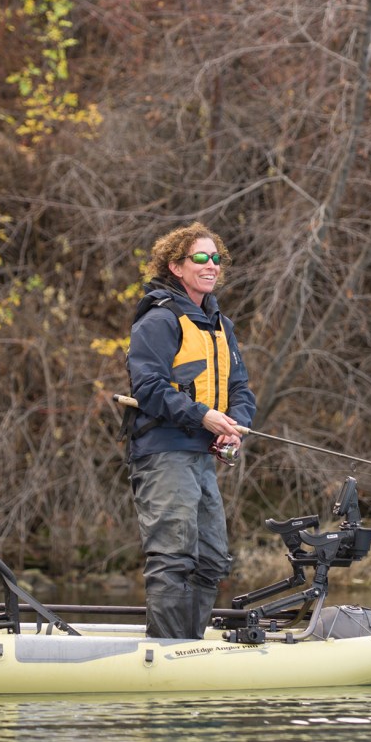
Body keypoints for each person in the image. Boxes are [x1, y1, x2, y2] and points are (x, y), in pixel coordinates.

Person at [125, 222, 256, 639]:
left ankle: (190, 645)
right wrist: (202, 416)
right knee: (173, 558)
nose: (211, 265)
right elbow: (147, 387)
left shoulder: (221, 324)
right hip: (164, 454)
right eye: (200, 257)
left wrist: (235, 426)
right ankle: (167, 651)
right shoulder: (159, 320)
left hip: (202, 456)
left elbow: (240, 389)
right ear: (175, 266)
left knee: (213, 560)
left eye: (216, 258)